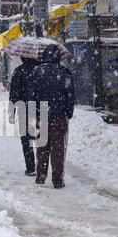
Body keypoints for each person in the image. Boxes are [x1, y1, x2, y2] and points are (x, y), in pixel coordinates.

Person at [32, 45, 75, 189]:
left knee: (42, 147)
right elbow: (70, 95)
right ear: (58, 57)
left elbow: (32, 95)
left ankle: (41, 176)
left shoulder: (37, 72)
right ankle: (57, 180)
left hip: (42, 114)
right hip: (59, 115)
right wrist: (68, 112)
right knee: (58, 149)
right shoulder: (64, 73)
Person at [8, 57, 40, 177]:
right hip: (39, 109)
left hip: (24, 110)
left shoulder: (19, 71)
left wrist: (12, 111)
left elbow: (14, 94)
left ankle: (31, 167)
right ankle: (42, 167)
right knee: (41, 139)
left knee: (27, 139)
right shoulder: (40, 70)